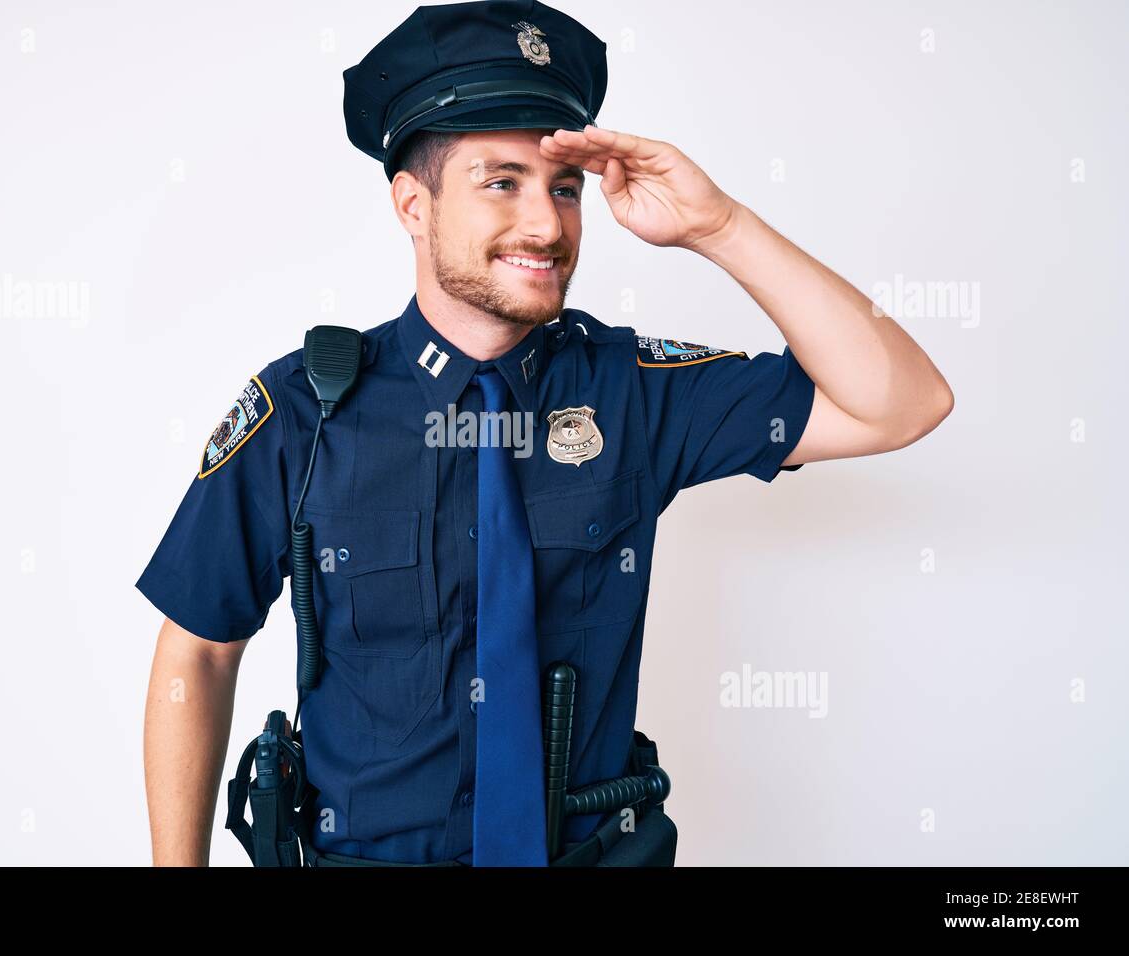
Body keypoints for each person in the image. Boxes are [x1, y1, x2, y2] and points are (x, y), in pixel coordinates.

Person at [137, 0, 953, 867]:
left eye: (564, 188)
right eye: (502, 182)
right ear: (413, 206)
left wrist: (721, 227)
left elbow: (900, 403)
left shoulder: (630, 390)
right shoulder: (305, 408)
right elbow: (199, 650)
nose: (546, 224)